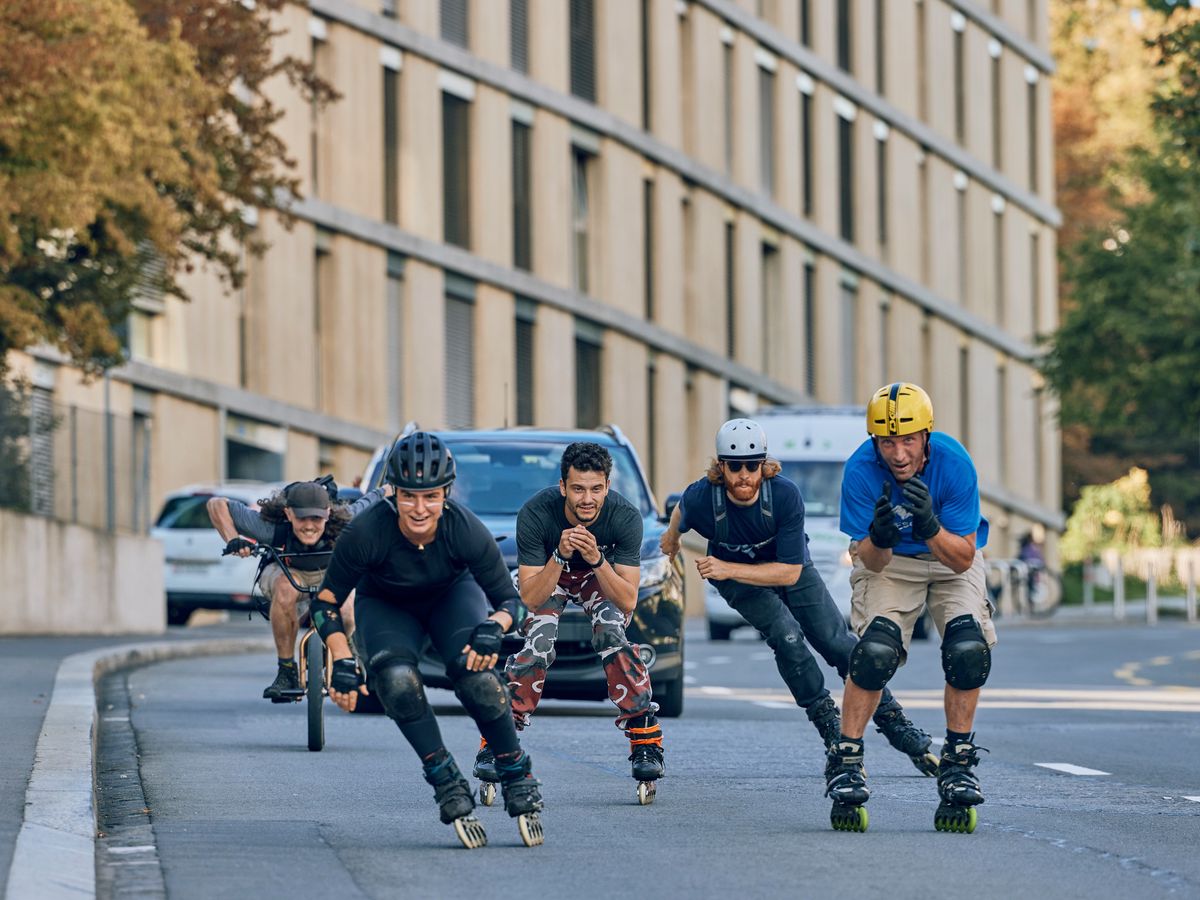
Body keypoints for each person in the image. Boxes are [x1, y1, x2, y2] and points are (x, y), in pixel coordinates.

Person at [660, 418, 938, 782]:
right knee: (786, 635)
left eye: (752, 466)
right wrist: (672, 539)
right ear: (720, 467)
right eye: (734, 467)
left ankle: (896, 724)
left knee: (836, 642)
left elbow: (789, 574)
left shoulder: (784, 495)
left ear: (763, 465)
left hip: (784, 568)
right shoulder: (703, 497)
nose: (743, 476)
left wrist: (726, 567)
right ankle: (831, 729)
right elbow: (681, 511)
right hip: (741, 583)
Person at [313, 431, 544, 848]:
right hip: (386, 604)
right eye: (409, 496)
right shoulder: (366, 532)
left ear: (446, 494)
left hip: (450, 598)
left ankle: (515, 771)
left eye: (431, 497)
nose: (420, 509)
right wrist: (343, 659)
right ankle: (445, 780)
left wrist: (494, 626)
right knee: (396, 681)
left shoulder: (464, 529)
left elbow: (514, 603)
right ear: (393, 493)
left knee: (478, 678)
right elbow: (324, 605)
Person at [829, 382, 997, 833]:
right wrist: (880, 537)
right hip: (892, 561)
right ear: (874, 441)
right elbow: (871, 560)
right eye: (887, 442)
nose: (898, 454)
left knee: (967, 649)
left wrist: (928, 525)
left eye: (907, 440)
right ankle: (847, 760)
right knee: (875, 652)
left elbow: (962, 559)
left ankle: (958, 762)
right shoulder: (860, 471)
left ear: (926, 435)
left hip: (948, 552)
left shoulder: (954, 464)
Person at [499, 441, 664, 798]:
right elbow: (530, 597)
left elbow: (627, 599)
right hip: (550, 573)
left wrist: (596, 559)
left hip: (600, 574)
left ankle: (645, 739)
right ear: (563, 487)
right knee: (539, 638)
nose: (587, 499)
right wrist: (560, 555)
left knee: (611, 631)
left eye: (595, 489)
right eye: (577, 489)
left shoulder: (624, 516)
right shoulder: (536, 513)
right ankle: (500, 736)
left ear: (607, 486)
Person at [207, 477, 390, 700]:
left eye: (316, 518)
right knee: (286, 589)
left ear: (328, 513)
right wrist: (233, 540)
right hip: (288, 572)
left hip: (330, 573)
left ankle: (345, 651)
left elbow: (384, 493)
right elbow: (217, 504)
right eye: (302, 518)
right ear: (288, 513)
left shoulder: (346, 521)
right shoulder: (270, 528)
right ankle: (286, 670)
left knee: (345, 609)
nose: (309, 526)